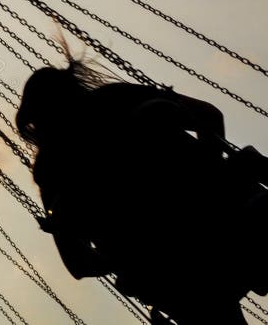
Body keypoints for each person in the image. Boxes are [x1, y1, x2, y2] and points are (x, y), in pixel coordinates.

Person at [16, 56, 267, 324]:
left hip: (172, 272)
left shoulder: (52, 167)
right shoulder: (115, 99)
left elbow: (78, 263)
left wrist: (123, 261)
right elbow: (208, 115)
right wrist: (214, 176)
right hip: (229, 221)